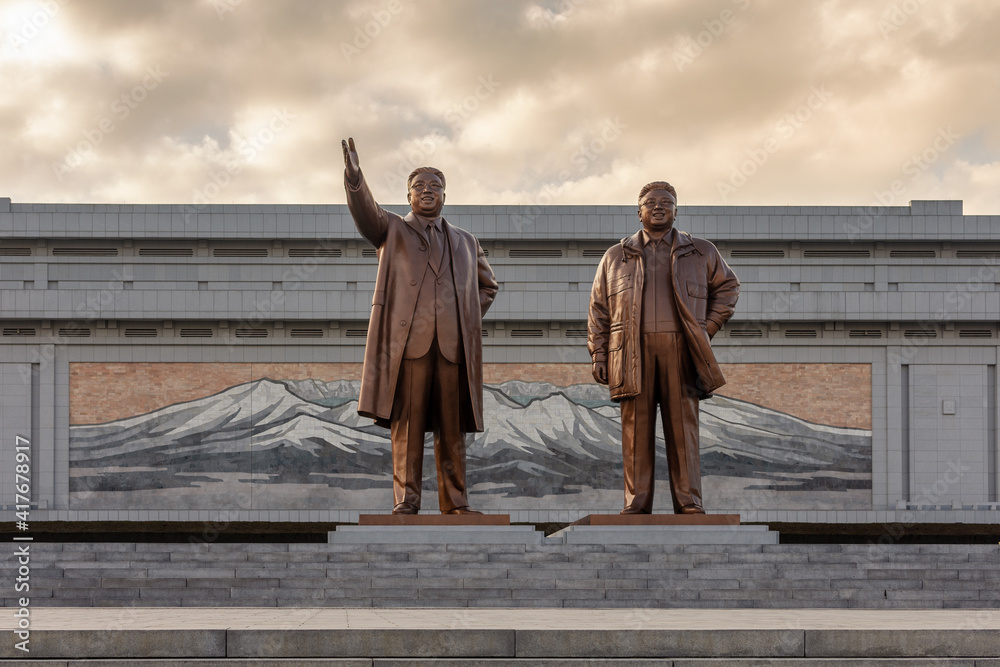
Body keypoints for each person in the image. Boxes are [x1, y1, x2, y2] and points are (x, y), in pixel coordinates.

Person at [342, 137, 498, 515]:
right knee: (407, 427)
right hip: (409, 346)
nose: (427, 192)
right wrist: (355, 179)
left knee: (451, 429)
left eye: (435, 186)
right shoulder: (392, 229)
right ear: (408, 194)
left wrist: (464, 316)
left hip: (452, 347)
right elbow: (367, 214)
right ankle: (406, 502)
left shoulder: (464, 240)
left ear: (445, 194)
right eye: (419, 186)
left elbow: (488, 286)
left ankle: (456, 503)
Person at [588, 181, 739, 514]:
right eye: (651, 202)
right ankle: (636, 504)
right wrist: (599, 354)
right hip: (631, 351)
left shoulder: (701, 250)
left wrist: (705, 328)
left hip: (681, 350)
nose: (658, 206)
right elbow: (599, 309)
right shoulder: (616, 256)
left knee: (683, 428)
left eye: (666, 202)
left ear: (676, 210)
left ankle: (688, 503)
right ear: (638, 210)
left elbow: (728, 288)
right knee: (634, 431)